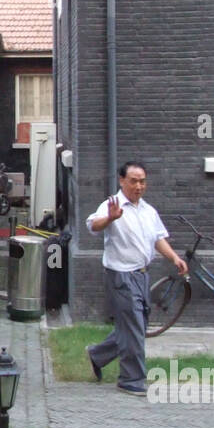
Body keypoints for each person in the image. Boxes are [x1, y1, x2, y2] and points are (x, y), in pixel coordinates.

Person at [85, 161, 188, 395]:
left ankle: (97, 354)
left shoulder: (148, 211)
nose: (138, 186)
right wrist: (111, 219)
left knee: (135, 326)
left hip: (142, 276)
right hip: (121, 275)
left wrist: (174, 258)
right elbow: (93, 224)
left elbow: (157, 239)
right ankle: (131, 380)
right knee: (133, 326)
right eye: (133, 181)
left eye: (142, 181)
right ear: (122, 181)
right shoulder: (112, 205)